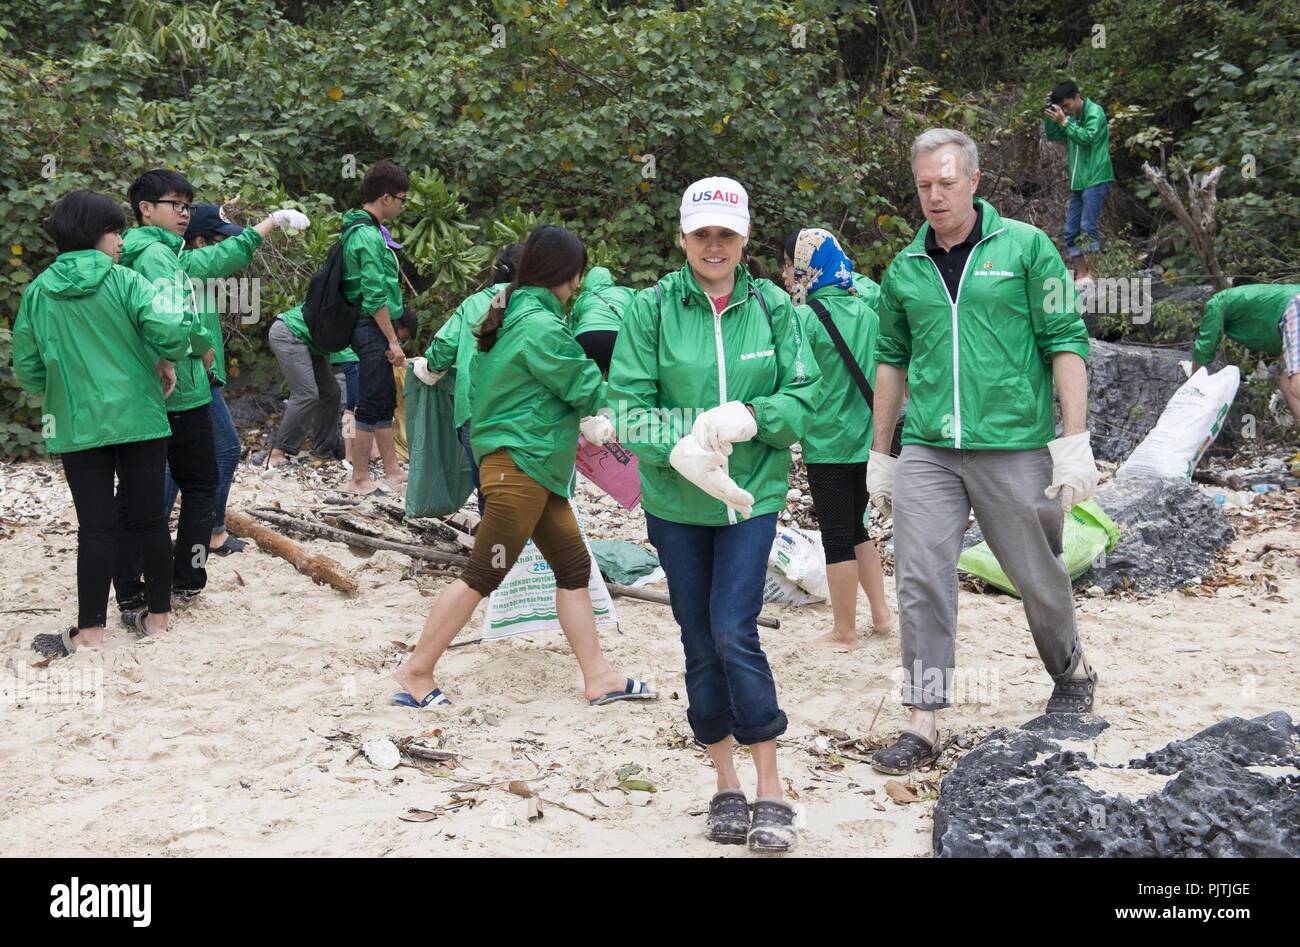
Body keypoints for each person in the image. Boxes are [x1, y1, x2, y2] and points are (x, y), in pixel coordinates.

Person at [866, 128, 1099, 777]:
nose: (934, 196)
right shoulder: (905, 269)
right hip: (931, 449)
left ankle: (1071, 669)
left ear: (974, 179)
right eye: (923, 185)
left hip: (1014, 444)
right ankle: (923, 718)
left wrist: (1073, 439)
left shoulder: (1026, 249)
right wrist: (880, 454)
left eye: (945, 182)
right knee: (919, 577)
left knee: (1036, 574)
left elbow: (1066, 341)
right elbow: (891, 360)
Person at [608, 177, 821, 854]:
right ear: (682, 237)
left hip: (749, 497)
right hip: (675, 502)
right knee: (698, 639)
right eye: (702, 233)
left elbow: (806, 396)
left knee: (735, 631)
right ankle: (723, 781)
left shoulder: (777, 312)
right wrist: (690, 435)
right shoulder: (653, 309)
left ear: (745, 238)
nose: (713, 245)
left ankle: (770, 785)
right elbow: (627, 407)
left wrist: (752, 416)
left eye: (725, 234)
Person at [393, 226, 652, 710]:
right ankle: (415, 671)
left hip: (535, 470)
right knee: (483, 573)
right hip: (521, 467)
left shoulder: (511, 311)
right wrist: (613, 410)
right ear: (564, 274)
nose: (576, 289)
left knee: (574, 569)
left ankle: (599, 677)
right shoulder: (539, 325)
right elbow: (580, 381)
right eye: (575, 278)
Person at [113, 169, 307, 616]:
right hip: (179, 387)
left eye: (187, 206)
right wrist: (198, 348)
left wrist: (272, 221)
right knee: (196, 469)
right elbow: (168, 318)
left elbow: (226, 256)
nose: (184, 213)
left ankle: (169, 563)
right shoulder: (158, 257)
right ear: (146, 209)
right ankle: (181, 564)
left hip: (187, 384)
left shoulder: (164, 253)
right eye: (175, 205)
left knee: (186, 468)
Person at [13, 190, 189, 654]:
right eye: (116, 232)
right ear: (97, 234)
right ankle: (158, 621)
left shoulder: (37, 292)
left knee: (94, 527)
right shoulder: (127, 282)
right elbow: (171, 331)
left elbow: (28, 370)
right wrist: (165, 359)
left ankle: (90, 631)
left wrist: (61, 381)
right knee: (152, 519)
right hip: (140, 418)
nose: (121, 242)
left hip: (76, 423)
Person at [787, 228, 894, 649]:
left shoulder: (806, 316)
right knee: (857, 528)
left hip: (828, 441)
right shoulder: (866, 312)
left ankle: (844, 630)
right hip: (868, 441)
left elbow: (797, 376)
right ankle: (882, 616)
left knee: (836, 535)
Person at [165, 203, 258, 556]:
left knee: (186, 457)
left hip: (204, 375)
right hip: (191, 376)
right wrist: (273, 222)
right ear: (200, 242)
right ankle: (209, 532)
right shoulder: (187, 268)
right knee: (219, 450)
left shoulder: (192, 273)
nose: (223, 248)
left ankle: (187, 532)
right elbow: (174, 324)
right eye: (218, 240)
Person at [412, 244, 524, 512]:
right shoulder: (540, 307)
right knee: (526, 490)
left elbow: (441, 351)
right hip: (523, 415)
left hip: (474, 412)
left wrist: (429, 369)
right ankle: (528, 549)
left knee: (488, 489)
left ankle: (495, 549)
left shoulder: (474, 303)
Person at [343, 160, 410, 495]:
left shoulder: (370, 230)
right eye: (402, 198)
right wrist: (392, 340)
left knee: (383, 396)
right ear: (386, 197)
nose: (402, 205)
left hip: (377, 325)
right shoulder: (366, 236)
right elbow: (373, 296)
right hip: (369, 325)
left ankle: (391, 468)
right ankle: (359, 477)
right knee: (369, 399)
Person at [1191, 283, 1300, 426]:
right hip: (1289, 303)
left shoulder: (1216, 304)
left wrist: (1193, 384)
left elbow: (1203, 351)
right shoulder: (1234, 302)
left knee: (1295, 380)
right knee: (1287, 378)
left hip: (1294, 306)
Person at [1042, 80, 1114, 282]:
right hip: (1078, 180)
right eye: (1062, 107)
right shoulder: (1070, 117)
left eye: (1067, 105)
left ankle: (1094, 273)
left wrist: (1065, 121)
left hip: (1096, 176)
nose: (1065, 110)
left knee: (1088, 226)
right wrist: (1050, 114)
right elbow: (1052, 134)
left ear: (1077, 97)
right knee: (1071, 230)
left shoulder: (1095, 112)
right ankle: (1081, 274)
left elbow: (1087, 138)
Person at [782, 228, 881, 310]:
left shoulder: (809, 317)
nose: (784, 274)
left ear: (810, 265)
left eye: (789, 265)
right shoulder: (854, 290)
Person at [568, 265, 635, 375]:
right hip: (616, 336)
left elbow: (573, 324)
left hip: (585, 337)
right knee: (619, 380)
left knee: (589, 380)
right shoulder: (626, 293)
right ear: (609, 278)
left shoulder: (584, 297)